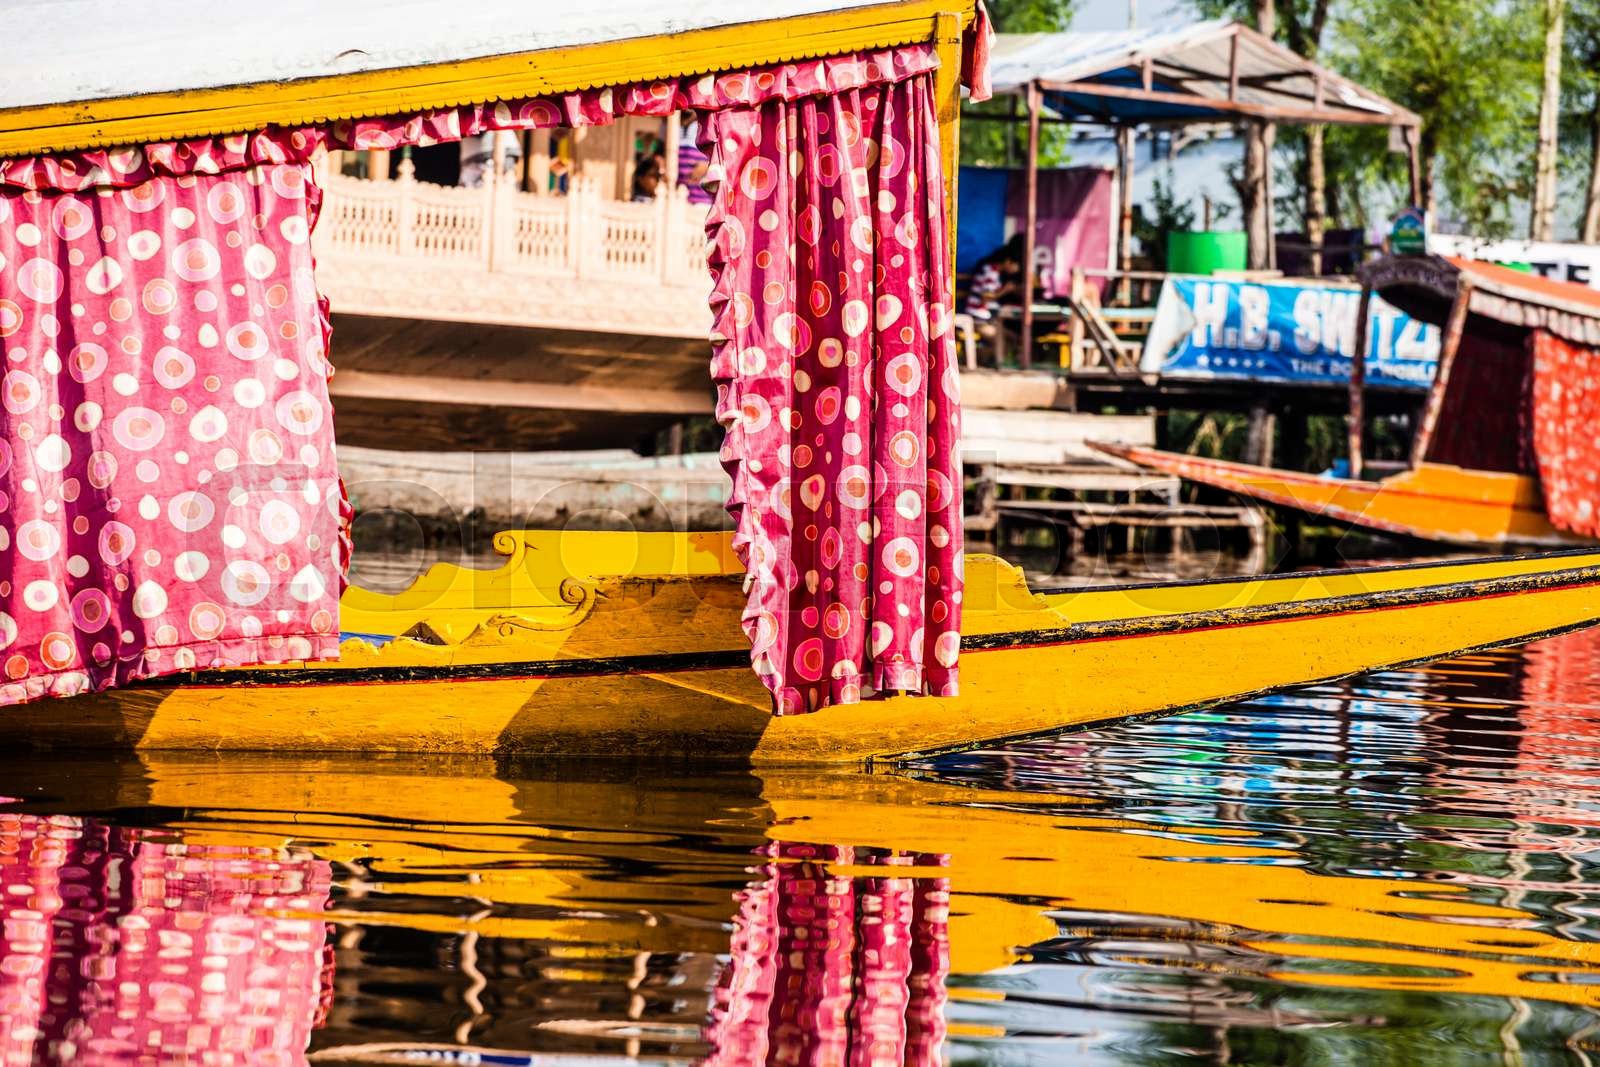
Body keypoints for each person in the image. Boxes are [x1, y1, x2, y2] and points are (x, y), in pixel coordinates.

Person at [964, 233, 1026, 325]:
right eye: (1016, 266)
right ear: (1008, 261)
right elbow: (986, 298)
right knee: (1002, 334)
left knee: (1008, 333)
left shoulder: (994, 271)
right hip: (978, 314)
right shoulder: (990, 271)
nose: (1016, 270)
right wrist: (1005, 290)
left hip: (985, 313)